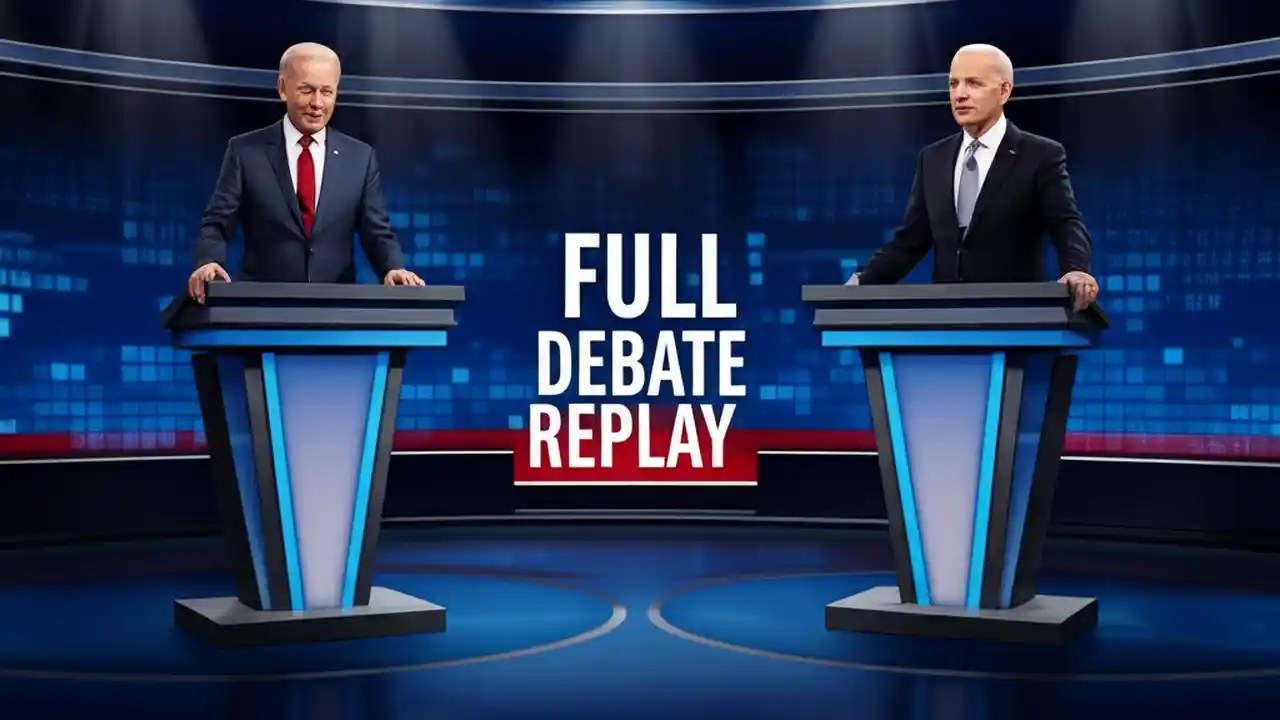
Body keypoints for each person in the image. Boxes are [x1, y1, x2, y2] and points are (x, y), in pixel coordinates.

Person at [848, 44, 1099, 312]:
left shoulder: (1040, 154)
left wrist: (1076, 269)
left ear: (1004, 91)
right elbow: (910, 240)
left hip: (1016, 318)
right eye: (953, 84)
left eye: (973, 83)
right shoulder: (932, 158)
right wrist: (863, 281)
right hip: (946, 319)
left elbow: (1066, 222)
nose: (960, 94)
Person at [188, 42, 424, 303]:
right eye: (307, 90)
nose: (317, 103)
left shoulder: (360, 157)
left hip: (335, 307)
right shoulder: (245, 151)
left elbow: (377, 230)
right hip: (262, 305)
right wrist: (208, 261)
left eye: (327, 92)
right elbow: (217, 222)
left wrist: (393, 267)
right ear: (282, 89)